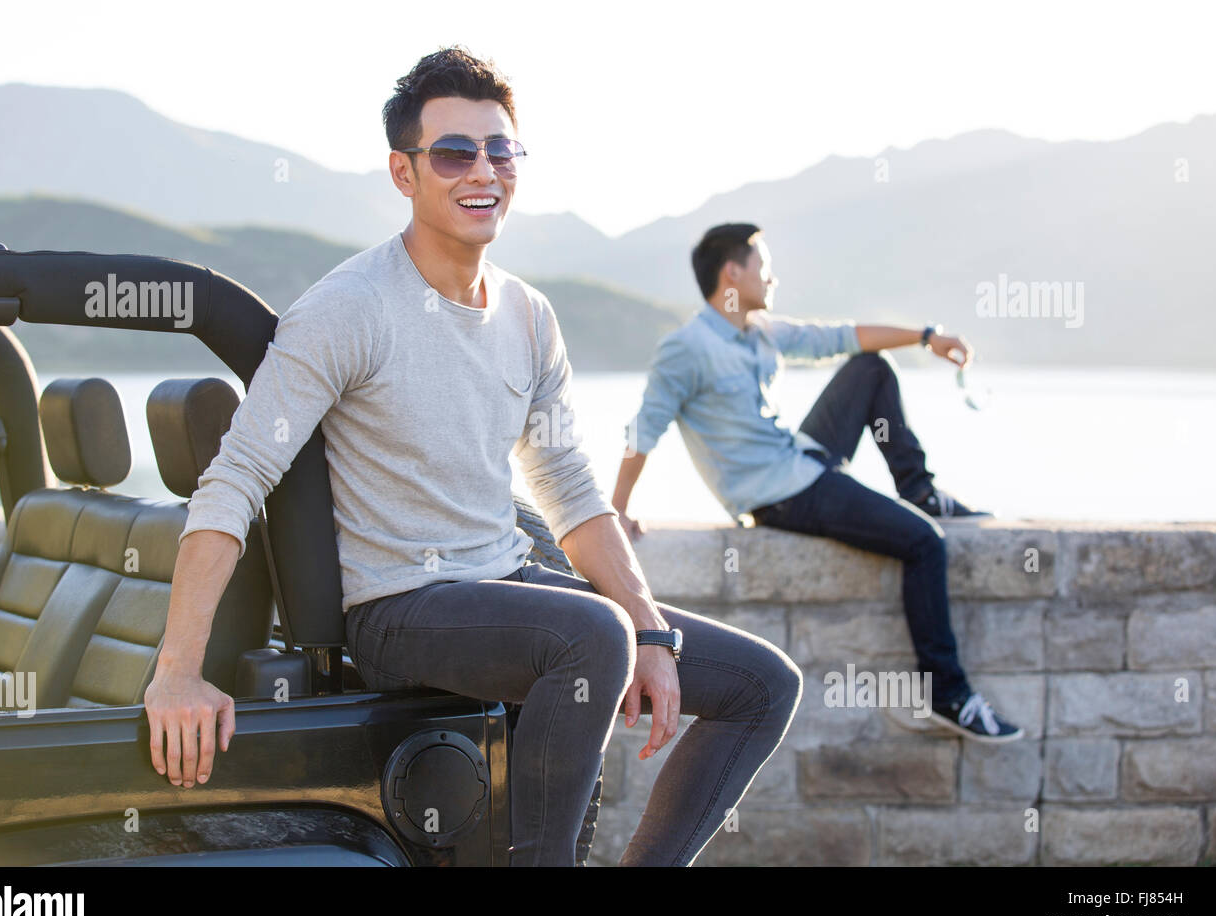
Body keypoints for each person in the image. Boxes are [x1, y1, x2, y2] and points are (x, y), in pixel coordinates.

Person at [144, 51, 802, 866]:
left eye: (500, 151)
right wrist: (177, 672)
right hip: (396, 607)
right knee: (592, 636)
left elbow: (570, 491)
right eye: (455, 153)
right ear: (404, 172)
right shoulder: (347, 311)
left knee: (762, 685)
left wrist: (652, 627)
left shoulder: (529, 315)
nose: (482, 170)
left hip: (503, 583)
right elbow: (236, 479)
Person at [613, 222, 1023, 743]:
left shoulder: (758, 330)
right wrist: (616, 511)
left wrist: (927, 338)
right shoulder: (687, 347)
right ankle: (949, 694)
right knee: (924, 543)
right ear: (732, 272)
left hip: (801, 460)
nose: (772, 278)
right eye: (763, 266)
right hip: (781, 496)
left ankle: (919, 488)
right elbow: (644, 431)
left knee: (870, 368)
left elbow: (843, 338)